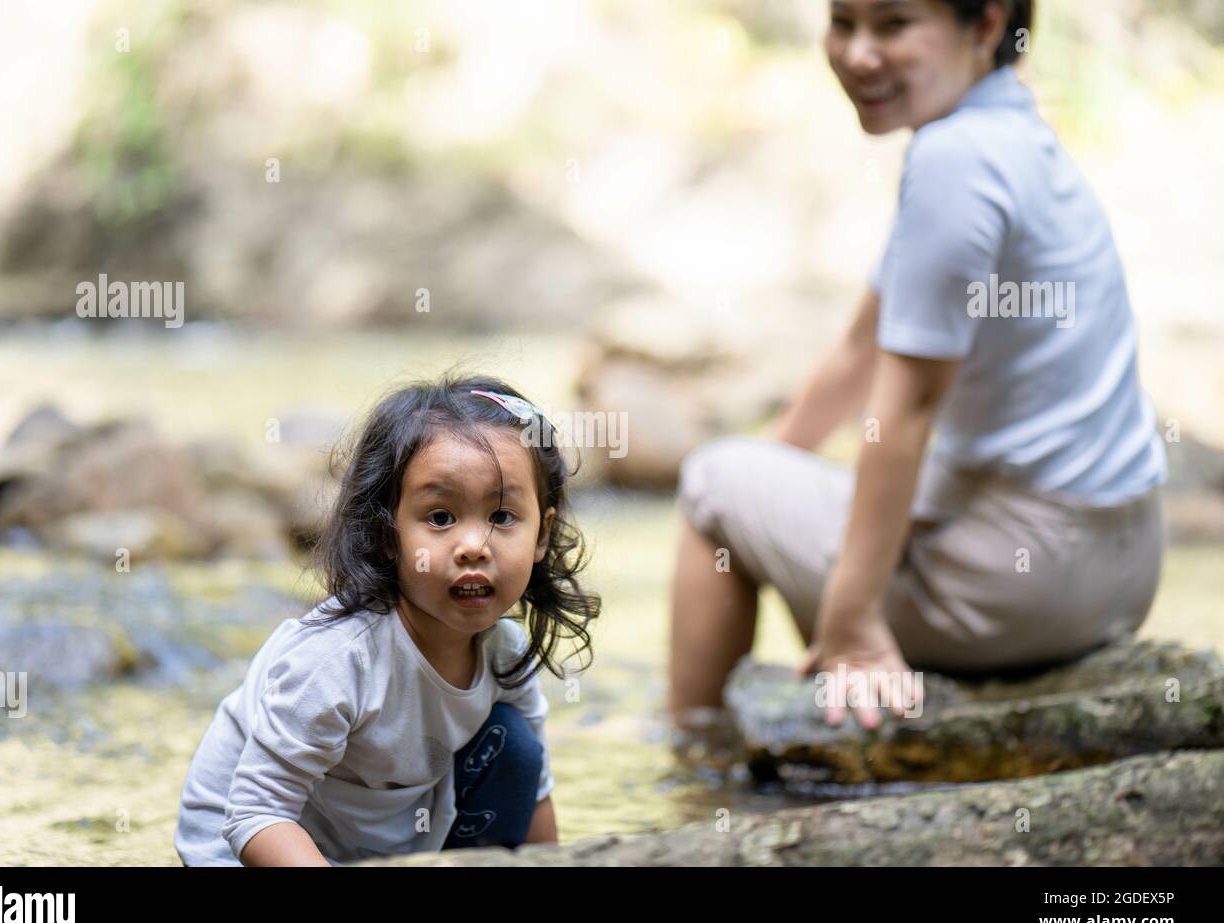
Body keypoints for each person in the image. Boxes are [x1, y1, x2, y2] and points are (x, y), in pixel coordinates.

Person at [669, 0, 1167, 730]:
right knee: (747, 477)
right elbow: (858, 352)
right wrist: (768, 472)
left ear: (988, 26)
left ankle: (692, 755)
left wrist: (852, 627)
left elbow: (903, 411)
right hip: (1124, 566)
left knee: (710, 482)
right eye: (843, 23)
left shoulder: (953, 158)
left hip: (1030, 581)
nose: (859, 54)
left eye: (894, 25)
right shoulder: (1010, 131)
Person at [175, 375, 599, 865]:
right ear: (387, 533)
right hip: (243, 851)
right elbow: (253, 814)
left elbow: (534, 799)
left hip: (382, 843)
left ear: (541, 535)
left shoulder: (505, 653)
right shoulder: (337, 659)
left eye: (502, 517)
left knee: (517, 748)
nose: (474, 547)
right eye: (440, 517)